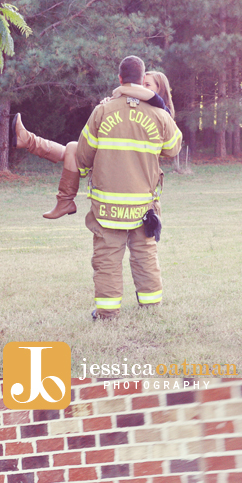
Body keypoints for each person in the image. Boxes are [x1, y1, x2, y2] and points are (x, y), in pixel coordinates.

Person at [76, 55, 182, 319]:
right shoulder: (158, 114)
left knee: (107, 259)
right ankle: (151, 305)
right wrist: (161, 111)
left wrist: (79, 173)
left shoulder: (103, 110)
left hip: (107, 208)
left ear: (120, 79)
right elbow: (173, 148)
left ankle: (108, 313)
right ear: (142, 78)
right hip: (143, 206)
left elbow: (83, 154)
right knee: (145, 255)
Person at [12, 69, 175, 219]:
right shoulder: (135, 107)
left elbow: (158, 107)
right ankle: (28, 141)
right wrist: (110, 105)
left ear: (160, 90)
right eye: (141, 84)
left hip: (128, 172)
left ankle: (64, 200)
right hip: (112, 162)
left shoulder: (162, 113)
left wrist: (123, 92)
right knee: (72, 149)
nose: (141, 89)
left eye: (147, 85)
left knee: (72, 149)